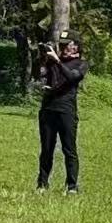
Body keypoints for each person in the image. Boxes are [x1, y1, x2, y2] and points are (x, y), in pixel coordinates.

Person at [35, 29, 87, 194]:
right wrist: (44, 59)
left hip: (66, 111)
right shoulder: (53, 61)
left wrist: (57, 61)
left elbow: (72, 77)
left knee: (69, 149)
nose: (64, 48)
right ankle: (42, 184)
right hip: (48, 109)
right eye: (62, 45)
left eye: (67, 45)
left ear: (76, 46)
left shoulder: (81, 64)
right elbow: (41, 74)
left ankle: (72, 185)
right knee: (46, 149)